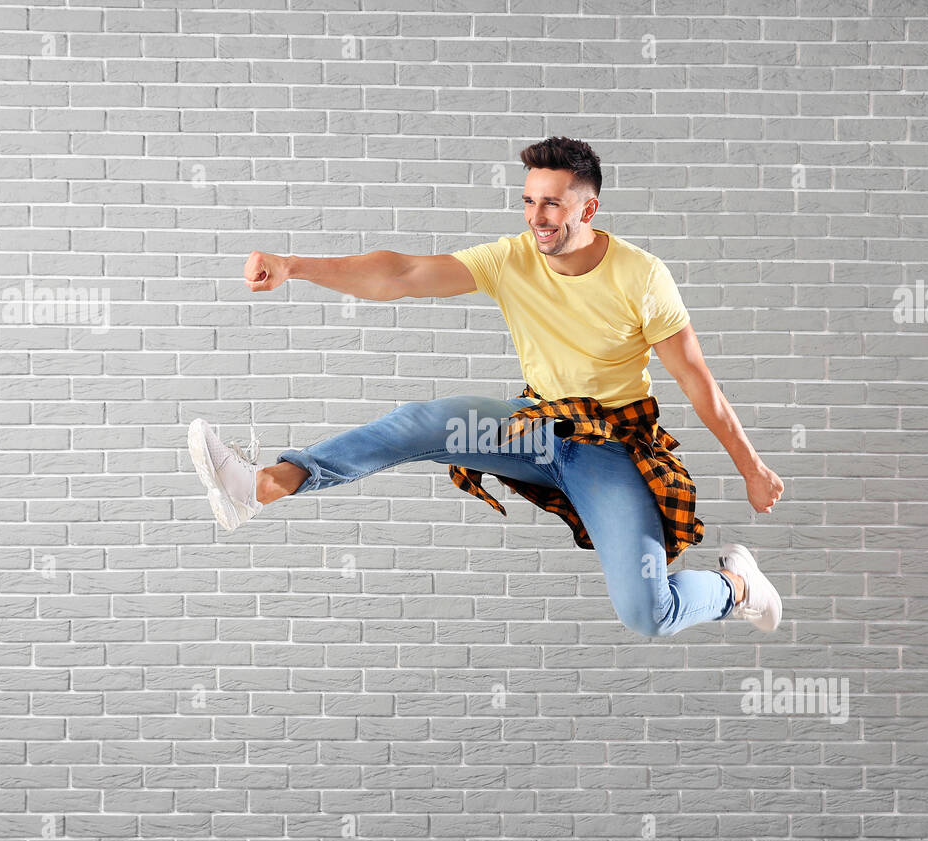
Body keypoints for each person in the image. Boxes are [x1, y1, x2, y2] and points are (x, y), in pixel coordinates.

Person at [188, 137, 785, 637]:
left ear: (588, 209)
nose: (536, 218)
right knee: (423, 422)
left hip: (608, 448)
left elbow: (698, 383)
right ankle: (264, 485)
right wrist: (296, 266)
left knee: (648, 614)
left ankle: (735, 585)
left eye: (551, 205)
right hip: (536, 429)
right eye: (528, 202)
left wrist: (752, 469)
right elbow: (402, 274)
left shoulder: (642, 276)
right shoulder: (511, 259)